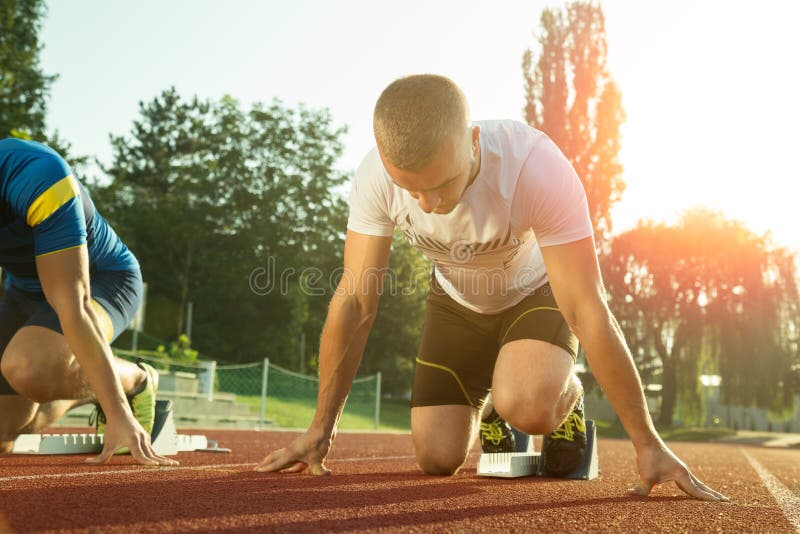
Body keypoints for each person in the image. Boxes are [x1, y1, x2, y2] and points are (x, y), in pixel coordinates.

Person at [256, 74, 727, 501]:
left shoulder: (534, 168)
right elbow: (356, 300)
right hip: (456, 304)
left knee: (528, 406)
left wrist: (648, 443)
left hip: (536, 293)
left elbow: (586, 305)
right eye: (411, 189)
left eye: (442, 184)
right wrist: (321, 429)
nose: (429, 204)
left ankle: (565, 391)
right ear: (384, 159)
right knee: (437, 459)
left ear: (473, 141)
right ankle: (501, 397)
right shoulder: (374, 178)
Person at [0, 138, 176, 466]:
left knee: (29, 368)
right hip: (23, 291)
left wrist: (118, 412)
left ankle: (137, 380)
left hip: (101, 281)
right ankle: (92, 387)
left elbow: (74, 305)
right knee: (4, 433)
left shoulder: (38, 175)